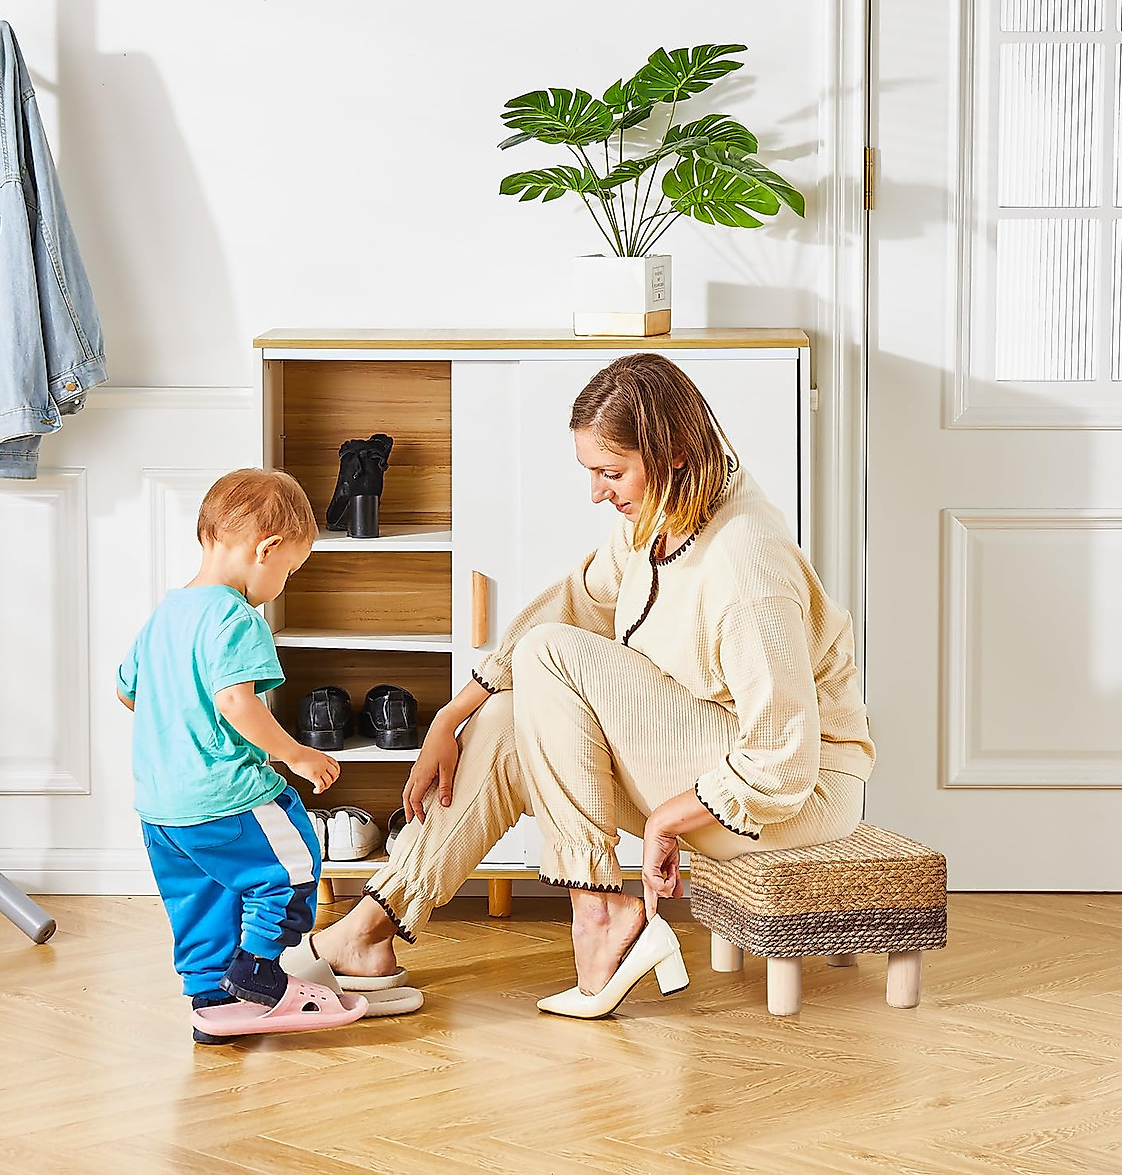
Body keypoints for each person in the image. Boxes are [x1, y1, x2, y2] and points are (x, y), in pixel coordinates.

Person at [308, 353, 876, 1018]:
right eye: (591, 473)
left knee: (551, 658)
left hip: (791, 799)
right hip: (717, 757)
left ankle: (602, 913)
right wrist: (451, 715)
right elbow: (574, 603)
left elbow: (784, 759)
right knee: (503, 722)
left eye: (611, 473)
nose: (598, 494)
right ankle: (368, 932)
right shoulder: (660, 521)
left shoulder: (746, 563)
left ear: (676, 454)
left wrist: (670, 815)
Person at [116, 468, 341, 1041]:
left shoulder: (166, 614)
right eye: (289, 569)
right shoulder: (236, 617)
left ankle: (213, 1001)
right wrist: (295, 753)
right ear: (266, 550)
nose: (284, 582)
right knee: (291, 871)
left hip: (162, 808)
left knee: (199, 898)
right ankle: (261, 974)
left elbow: (127, 692)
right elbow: (237, 702)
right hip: (227, 796)